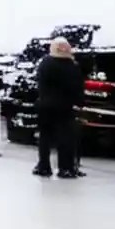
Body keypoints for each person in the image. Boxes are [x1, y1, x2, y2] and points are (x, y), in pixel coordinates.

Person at [34, 37, 85, 179]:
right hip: (65, 107)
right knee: (66, 138)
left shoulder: (45, 63)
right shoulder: (71, 65)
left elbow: (40, 84)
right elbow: (77, 87)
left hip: (45, 106)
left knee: (45, 137)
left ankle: (44, 166)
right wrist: (80, 103)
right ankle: (66, 168)